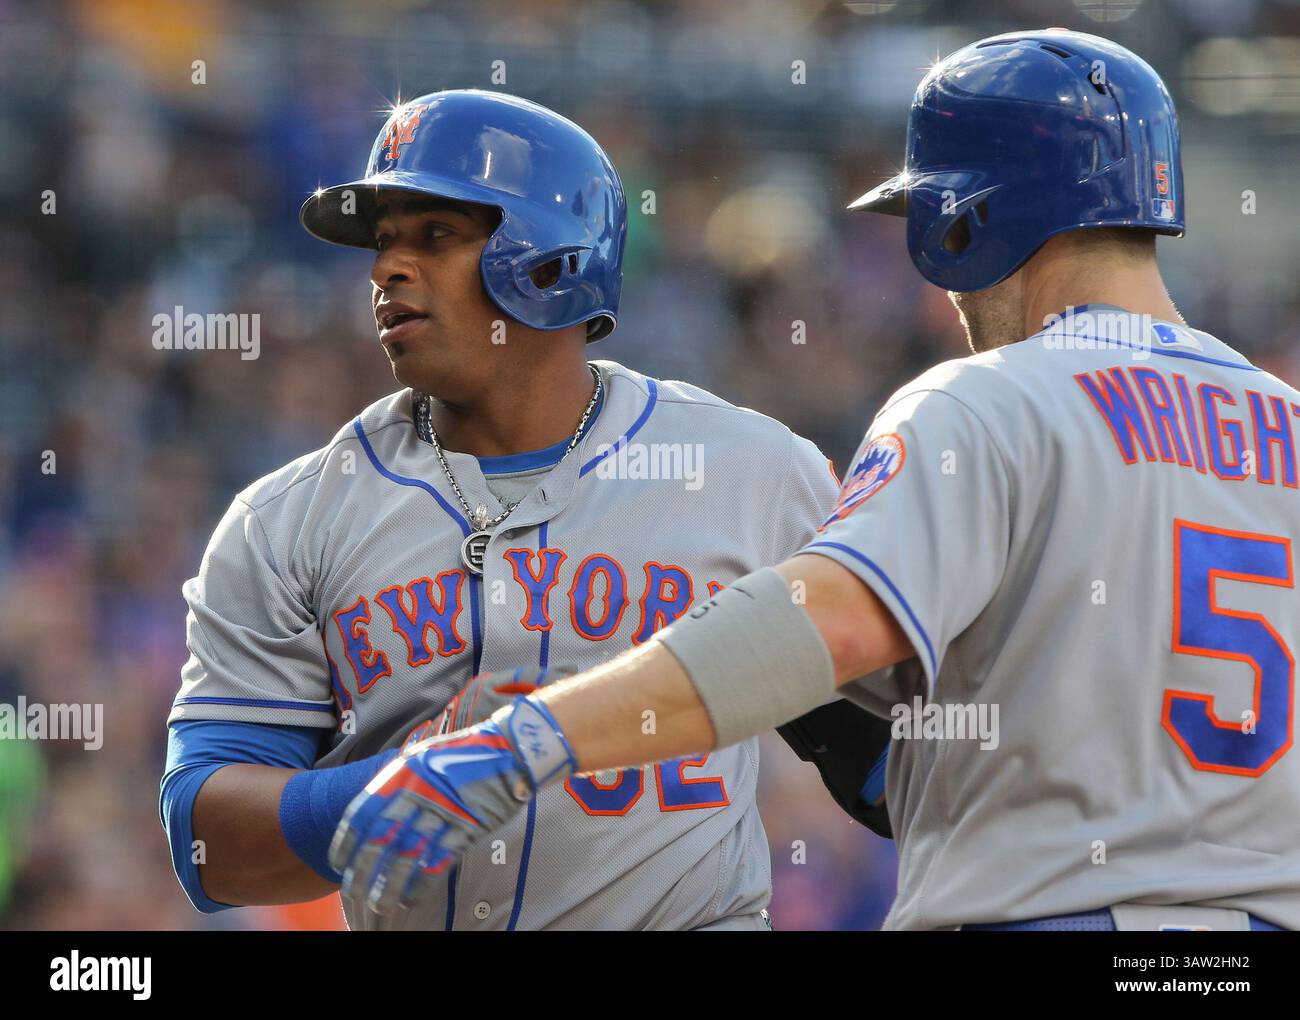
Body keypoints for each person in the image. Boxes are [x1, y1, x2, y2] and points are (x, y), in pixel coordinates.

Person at [332, 31, 1299, 932]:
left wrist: (531, 738)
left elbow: (827, 621)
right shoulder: (1288, 428)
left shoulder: (990, 402)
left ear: (967, 224)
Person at [159, 89, 890, 931]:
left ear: (552, 260)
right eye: (385, 241)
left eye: (435, 235)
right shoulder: (285, 521)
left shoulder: (752, 474)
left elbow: (889, 761)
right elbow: (204, 842)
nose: (386, 269)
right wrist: (405, 781)